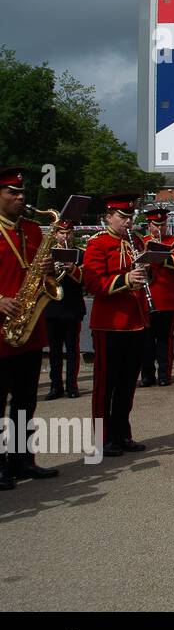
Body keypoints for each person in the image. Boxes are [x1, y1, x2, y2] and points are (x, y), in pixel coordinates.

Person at [0, 167, 60, 488]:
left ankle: (23, 459)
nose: (21, 197)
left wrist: (49, 270)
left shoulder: (34, 230)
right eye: (12, 192)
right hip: (1, 328)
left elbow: (43, 278)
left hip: (29, 327)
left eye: (22, 193)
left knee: (26, 400)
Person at [82, 193, 151, 457]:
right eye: (122, 217)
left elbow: (145, 275)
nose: (127, 222)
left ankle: (122, 433)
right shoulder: (98, 244)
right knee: (105, 385)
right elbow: (93, 283)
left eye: (130, 217)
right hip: (109, 324)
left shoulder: (137, 241)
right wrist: (125, 279)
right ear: (108, 217)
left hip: (136, 321)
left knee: (126, 384)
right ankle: (103, 438)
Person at [139, 206, 174, 388]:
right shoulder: (141, 242)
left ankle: (165, 374)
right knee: (146, 339)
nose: (160, 228)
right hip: (146, 297)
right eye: (155, 225)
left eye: (163, 224)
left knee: (165, 338)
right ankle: (147, 374)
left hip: (168, 297)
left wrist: (157, 255)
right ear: (149, 225)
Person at [43, 219, 86, 400]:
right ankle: (55, 386)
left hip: (72, 306)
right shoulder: (47, 255)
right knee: (54, 350)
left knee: (72, 350)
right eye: (61, 233)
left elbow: (86, 280)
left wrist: (72, 269)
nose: (65, 236)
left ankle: (72, 385)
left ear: (73, 234)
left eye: (68, 233)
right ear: (55, 235)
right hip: (52, 307)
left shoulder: (81, 254)